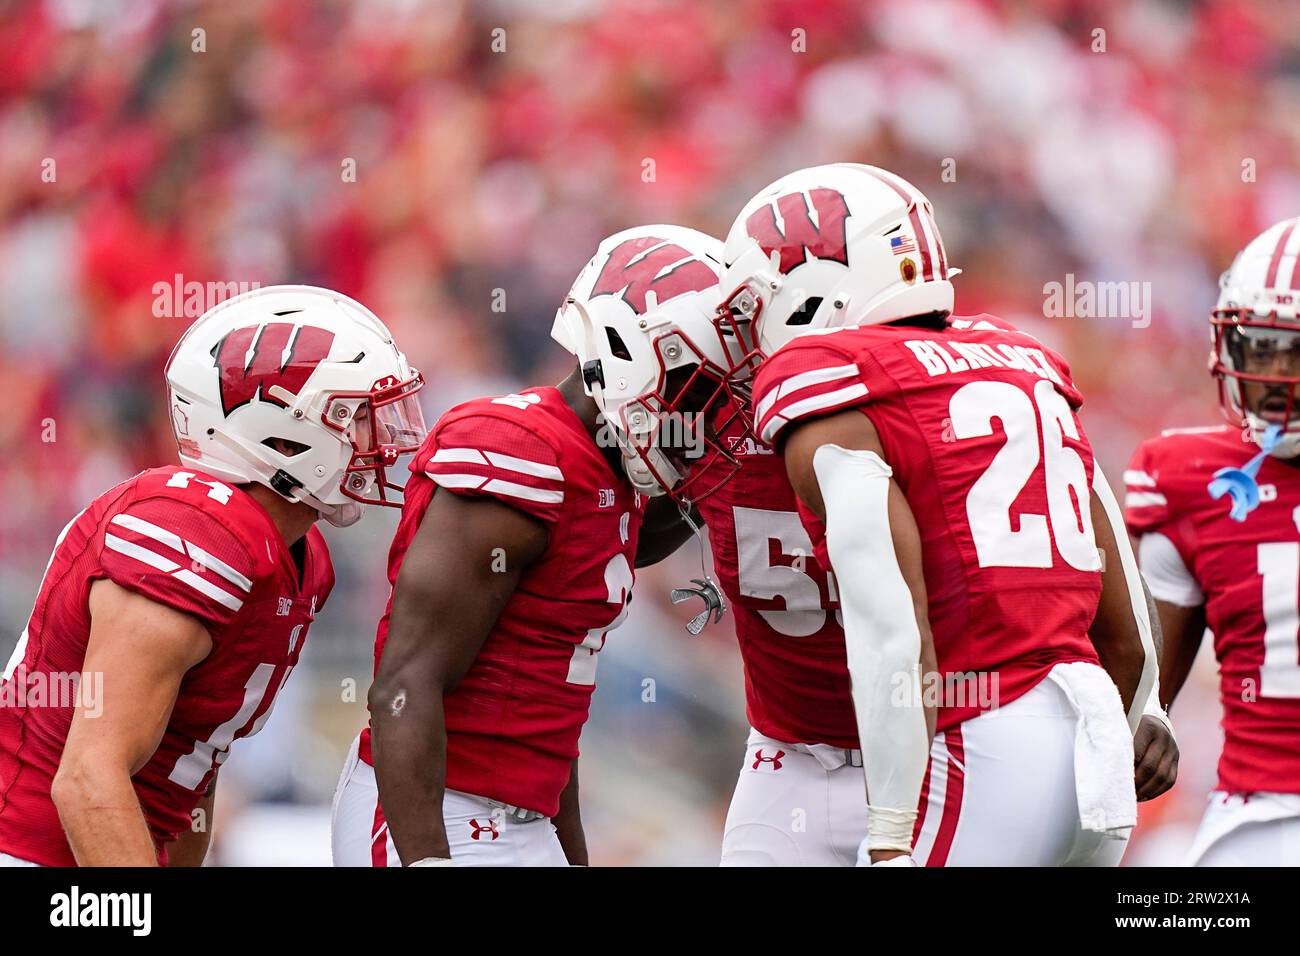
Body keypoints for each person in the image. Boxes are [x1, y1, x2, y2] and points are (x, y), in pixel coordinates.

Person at [717, 163, 1174, 865]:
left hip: (982, 741)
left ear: (819, 292)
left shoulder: (827, 378)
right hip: (1092, 749)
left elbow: (893, 630)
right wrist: (1144, 710)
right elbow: (1128, 627)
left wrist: (892, 833)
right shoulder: (1022, 360)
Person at [330, 226, 743, 866]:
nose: (710, 416)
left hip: (520, 817)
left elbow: (547, 713)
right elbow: (406, 684)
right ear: (626, 351)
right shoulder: (518, 450)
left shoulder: (611, 475)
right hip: (438, 811)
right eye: (702, 387)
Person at [0, 285, 426, 866]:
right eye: (355, 417)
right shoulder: (192, 532)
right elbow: (88, 778)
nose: (382, 442)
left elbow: (194, 767)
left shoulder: (300, 556)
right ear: (281, 432)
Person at [1126, 217, 1300, 866]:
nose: (1277, 375)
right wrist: (1145, 727)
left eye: (1297, 352)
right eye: (1259, 347)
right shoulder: (1188, 480)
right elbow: (1145, 690)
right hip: (1255, 822)